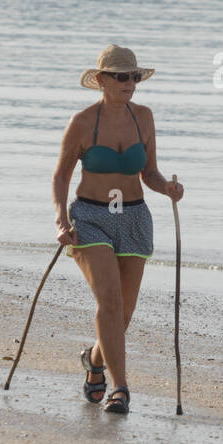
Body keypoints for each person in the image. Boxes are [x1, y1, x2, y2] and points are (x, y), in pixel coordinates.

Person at [52, 44, 184, 414]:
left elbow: (150, 172)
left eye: (135, 76)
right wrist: (62, 221)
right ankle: (120, 388)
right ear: (101, 80)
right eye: (123, 77)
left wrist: (168, 188)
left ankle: (95, 361)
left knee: (122, 314)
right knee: (108, 300)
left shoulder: (143, 117)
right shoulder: (81, 122)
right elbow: (61, 176)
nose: (131, 83)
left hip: (135, 217)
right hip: (91, 218)